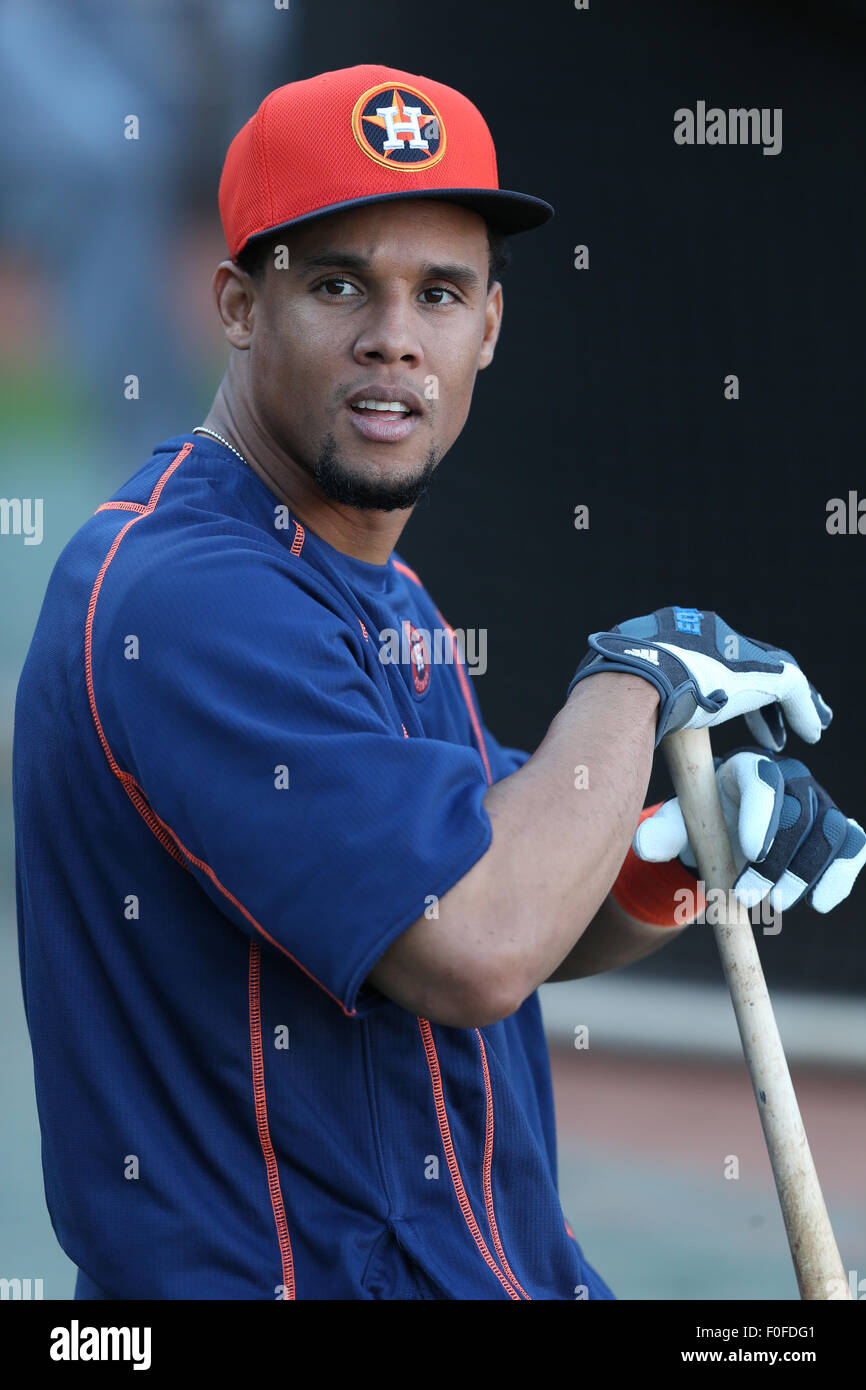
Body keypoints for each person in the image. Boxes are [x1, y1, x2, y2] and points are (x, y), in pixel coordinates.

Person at [13, 64, 865, 1301]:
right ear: (239, 304)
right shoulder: (182, 596)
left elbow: (511, 894)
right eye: (339, 283)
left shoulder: (377, 594)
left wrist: (678, 859)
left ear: (490, 329)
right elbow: (474, 947)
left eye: (440, 292)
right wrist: (632, 683)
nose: (394, 337)